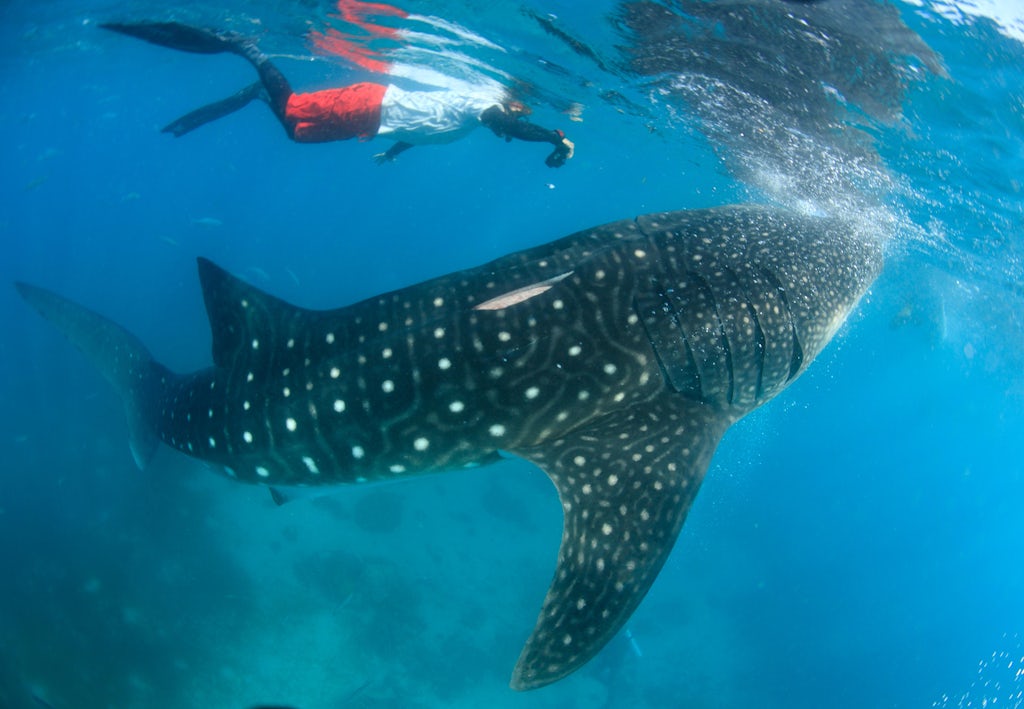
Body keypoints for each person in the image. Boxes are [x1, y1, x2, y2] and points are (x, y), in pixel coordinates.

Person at [101, 22, 576, 167]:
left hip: (374, 121)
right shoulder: (485, 104)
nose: (514, 117)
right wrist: (556, 138)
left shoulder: (472, 118)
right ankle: (251, 53)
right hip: (369, 102)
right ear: (512, 103)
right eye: (520, 108)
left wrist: (392, 152)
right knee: (290, 112)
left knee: (298, 136)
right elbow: (511, 124)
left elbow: (428, 129)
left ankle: (258, 90)